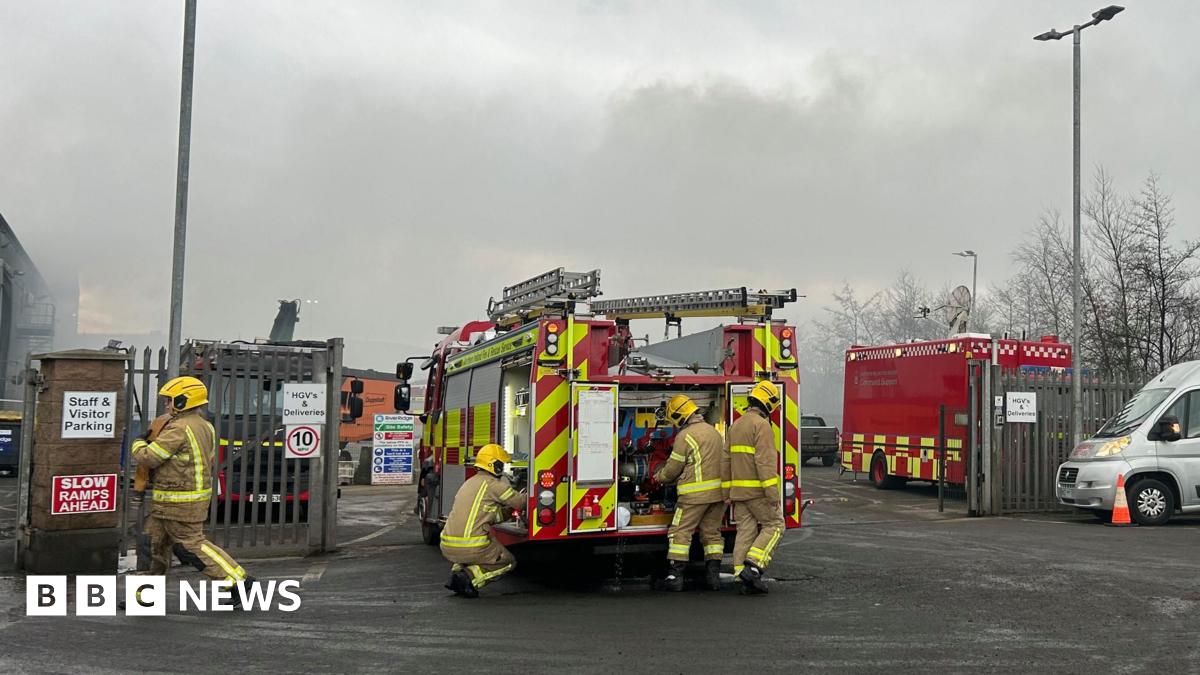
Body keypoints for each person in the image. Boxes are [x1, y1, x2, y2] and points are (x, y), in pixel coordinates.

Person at [131, 376, 255, 601]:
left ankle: (240, 583)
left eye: (170, 401)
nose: (166, 405)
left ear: (183, 401)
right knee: (153, 547)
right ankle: (145, 597)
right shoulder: (204, 425)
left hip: (180, 503)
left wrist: (138, 441)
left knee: (192, 546)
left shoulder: (179, 428)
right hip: (173, 502)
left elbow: (149, 457)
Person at [653, 394, 727, 591]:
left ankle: (675, 577)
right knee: (712, 535)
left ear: (678, 417)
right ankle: (713, 578)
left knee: (680, 532)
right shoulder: (713, 432)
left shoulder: (684, 436)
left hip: (694, 496)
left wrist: (659, 477)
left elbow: (673, 468)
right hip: (718, 494)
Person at [441, 444, 527, 598]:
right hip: (473, 546)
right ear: (495, 465)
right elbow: (520, 502)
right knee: (508, 561)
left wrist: (507, 513)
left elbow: (488, 515)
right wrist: (530, 491)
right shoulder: (494, 485)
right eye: (502, 464)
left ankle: (457, 574)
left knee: (471, 557)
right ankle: (470, 579)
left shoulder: (469, 483)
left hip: (448, 546)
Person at [726, 380, 784, 595]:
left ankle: (743, 578)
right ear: (768, 403)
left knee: (746, 532)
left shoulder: (736, 425)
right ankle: (754, 568)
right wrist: (772, 494)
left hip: (738, 493)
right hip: (758, 492)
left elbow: (725, 461)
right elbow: (765, 463)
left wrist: (727, 492)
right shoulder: (762, 426)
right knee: (775, 525)